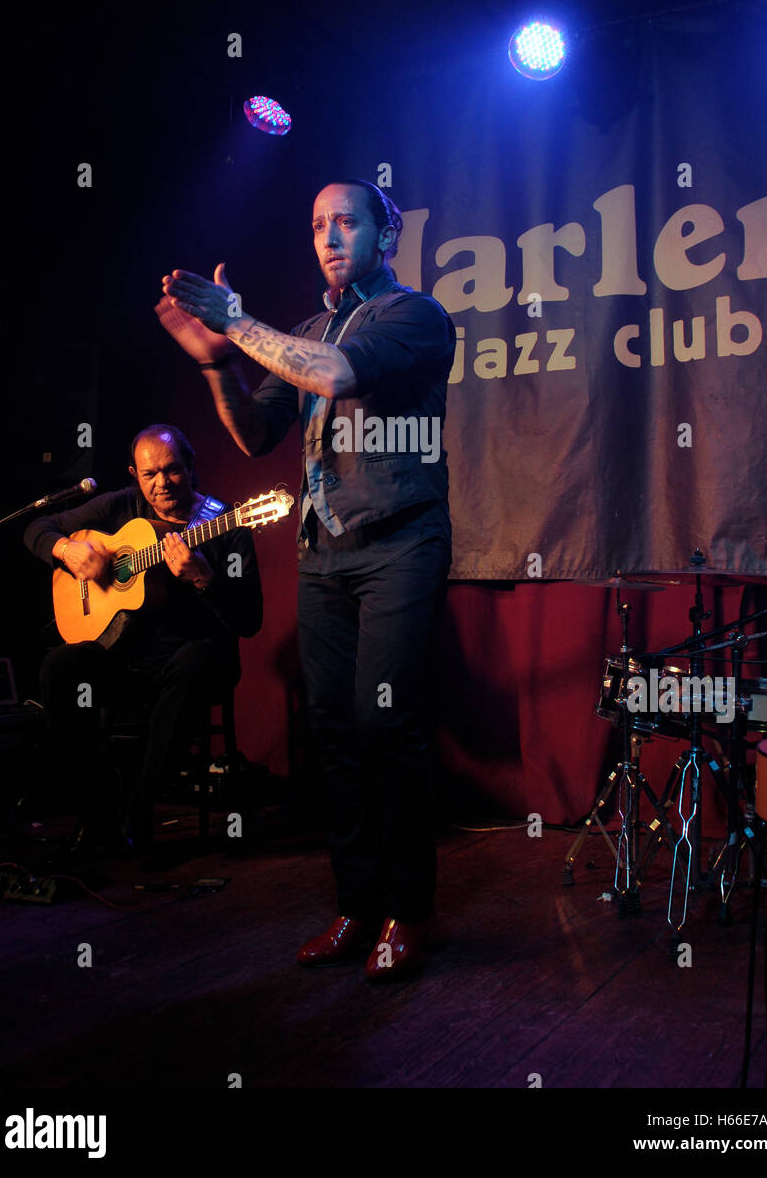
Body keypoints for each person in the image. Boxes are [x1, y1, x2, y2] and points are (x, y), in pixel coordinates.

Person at [156, 180, 455, 981]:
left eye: (346, 222)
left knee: (383, 723)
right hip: (323, 551)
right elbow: (255, 435)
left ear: (384, 234)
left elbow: (333, 375)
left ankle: (409, 912)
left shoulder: (414, 316)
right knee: (332, 730)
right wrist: (217, 365)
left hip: (400, 542)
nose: (328, 236)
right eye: (318, 224)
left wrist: (236, 323)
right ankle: (356, 904)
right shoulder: (304, 329)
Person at [24, 424, 262, 853]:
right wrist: (68, 551)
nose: (162, 483)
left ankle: (139, 804)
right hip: (127, 655)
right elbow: (38, 528)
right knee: (61, 666)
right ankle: (97, 808)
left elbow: (250, 620)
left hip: (196, 659)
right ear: (135, 474)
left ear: (190, 466)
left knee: (194, 662)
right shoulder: (120, 506)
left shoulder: (226, 525)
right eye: (150, 474)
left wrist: (205, 579)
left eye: (172, 470)